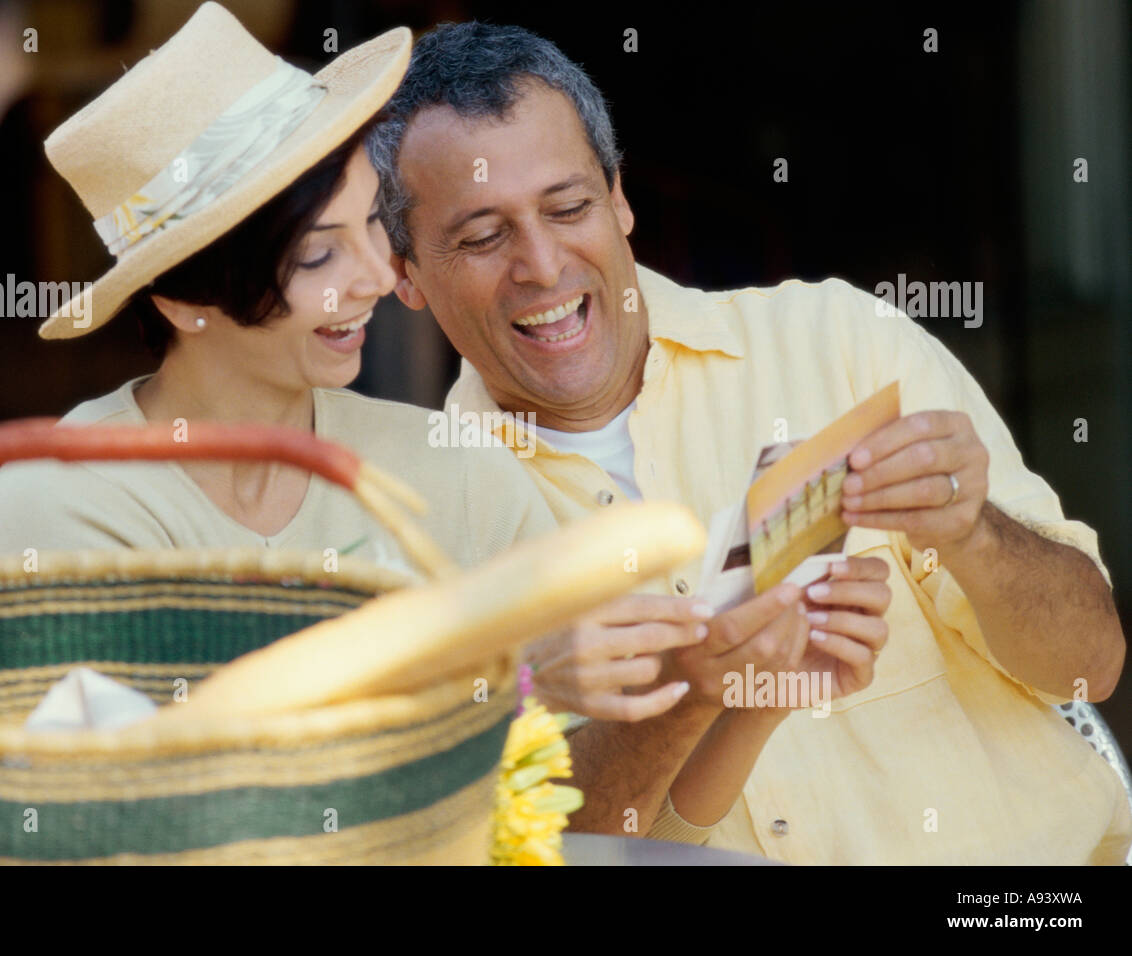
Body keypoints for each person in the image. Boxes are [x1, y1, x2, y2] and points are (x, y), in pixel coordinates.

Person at [366, 21, 1131, 863]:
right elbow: (545, 847)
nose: (542, 265)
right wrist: (702, 690)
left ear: (619, 198)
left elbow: (1091, 668)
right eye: (482, 237)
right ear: (402, 270)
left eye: (569, 207)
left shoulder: (843, 340)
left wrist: (975, 535)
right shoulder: (415, 518)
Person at [0, 5, 555, 575]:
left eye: (376, 221)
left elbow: (572, 658)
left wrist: (531, 676)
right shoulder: (63, 494)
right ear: (184, 298)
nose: (379, 277)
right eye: (318, 254)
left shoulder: (457, 472)